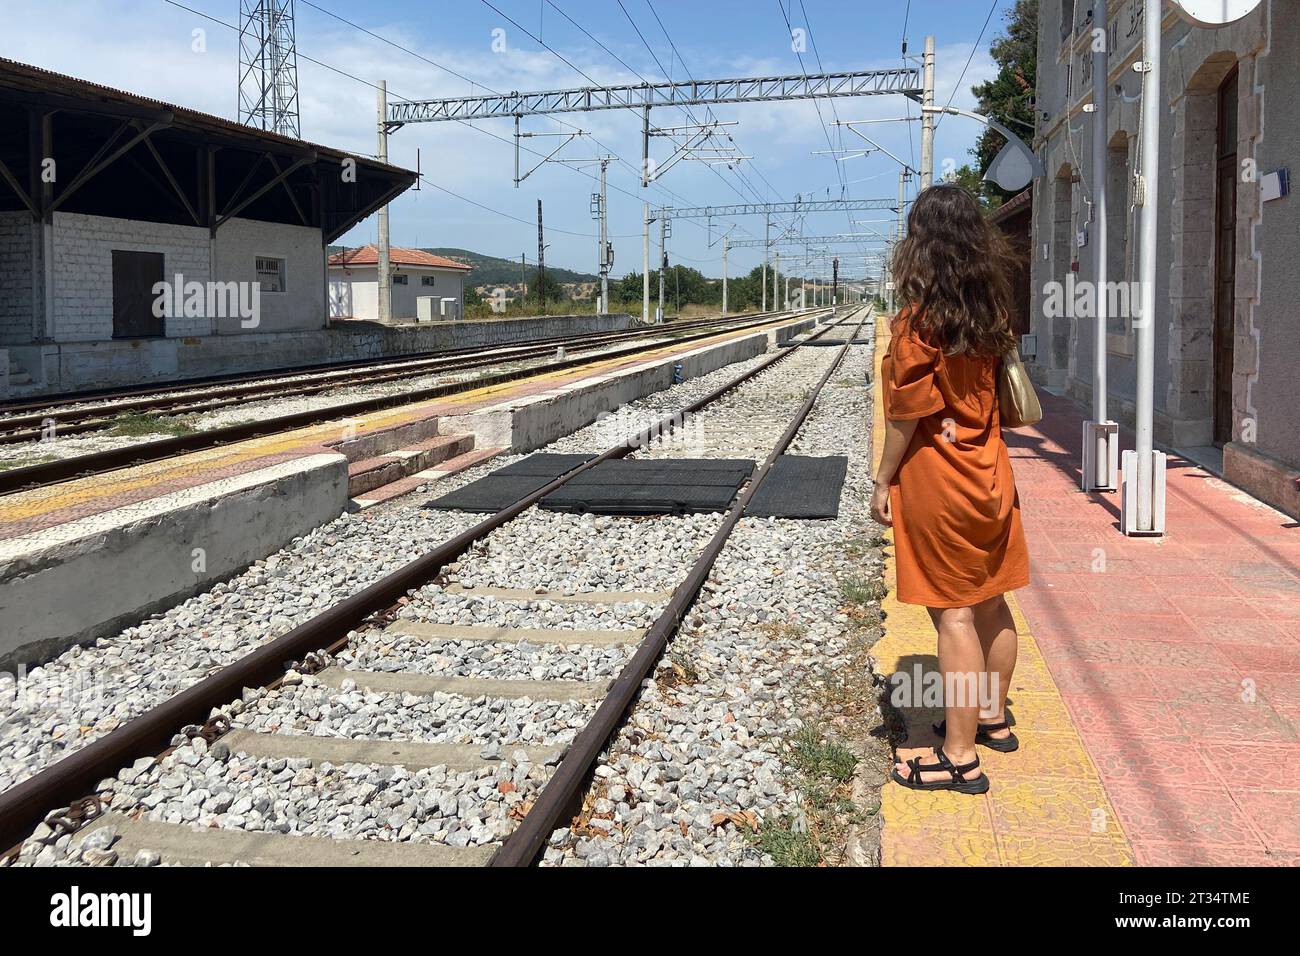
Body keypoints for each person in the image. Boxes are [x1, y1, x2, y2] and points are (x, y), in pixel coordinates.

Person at [870, 183, 1030, 795]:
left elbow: (906, 417)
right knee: (991, 601)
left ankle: (958, 755)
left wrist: (882, 478)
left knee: (954, 616)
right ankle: (990, 716)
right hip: (991, 474)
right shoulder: (990, 312)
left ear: (919, 246)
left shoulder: (918, 323)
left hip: (940, 480)